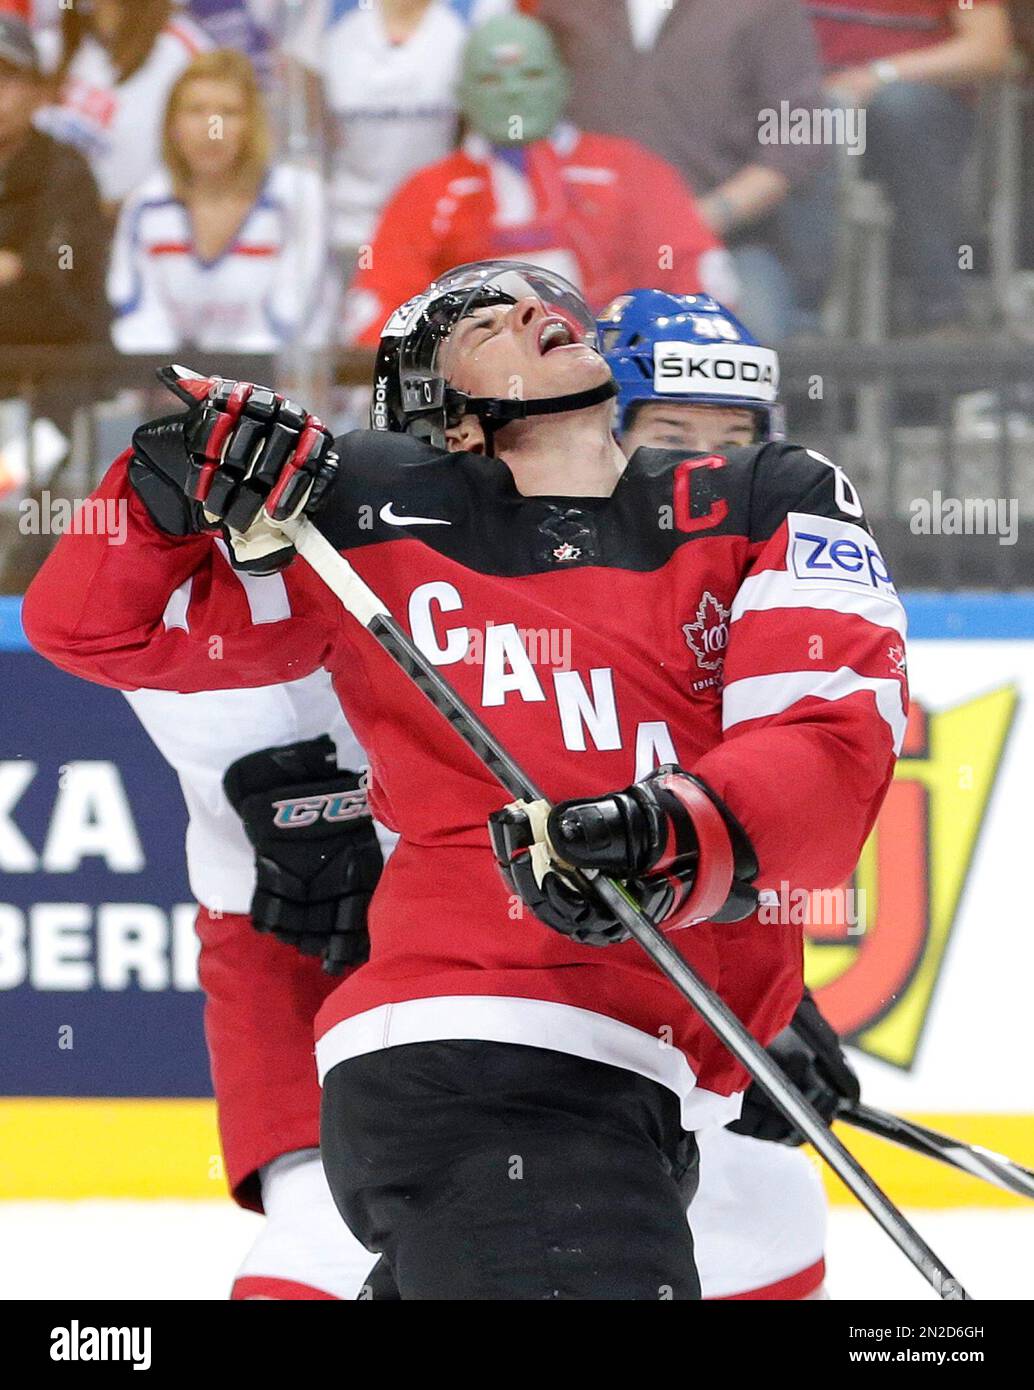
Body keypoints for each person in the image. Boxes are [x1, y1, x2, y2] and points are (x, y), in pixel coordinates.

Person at [24, 259, 906, 1299]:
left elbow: (827, 736)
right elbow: (94, 628)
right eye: (483, 321)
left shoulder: (767, 498)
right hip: (473, 1047)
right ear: (445, 422)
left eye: (541, 302)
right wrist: (157, 495)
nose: (538, 310)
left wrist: (725, 916)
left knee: (773, 1224)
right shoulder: (359, 520)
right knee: (334, 1233)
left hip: (652, 1069)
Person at [123, 670, 390, 1299]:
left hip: (464, 892)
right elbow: (95, 608)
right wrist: (297, 790)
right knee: (329, 1218)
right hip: (286, 913)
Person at [345, 13, 734, 346]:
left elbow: (697, 293)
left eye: (530, 74)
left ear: (563, 83)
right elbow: (382, 317)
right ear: (462, 95)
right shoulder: (427, 193)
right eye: (492, 79)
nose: (513, 92)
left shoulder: (632, 172)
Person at [535, 0, 833, 343]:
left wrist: (695, 221)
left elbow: (799, 140)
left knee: (745, 341)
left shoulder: (761, 7)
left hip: (727, 239)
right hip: (579, 238)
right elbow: (525, 111)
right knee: (520, 331)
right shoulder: (564, 8)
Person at [806, 0, 1014, 334]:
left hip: (915, 109)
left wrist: (881, 74)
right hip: (810, 108)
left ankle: (941, 309)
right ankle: (800, 327)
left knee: (899, 107)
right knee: (794, 119)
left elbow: (989, 49)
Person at [108, 48, 329, 354]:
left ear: (253, 125)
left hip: (275, 388)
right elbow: (138, 321)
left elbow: (286, 319)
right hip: (174, 392)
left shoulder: (297, 197)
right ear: (172, 125)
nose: (212, 130)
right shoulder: (146, 205)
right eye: (196, 110)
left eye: (229, 112)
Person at [285, 0, 513, 274]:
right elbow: (307, 131)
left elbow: (495, 123)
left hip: (446, 232)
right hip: (351, 231)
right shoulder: (328, 10)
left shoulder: (484, 9)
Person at [35, 0, 211, 212]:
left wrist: (128, 211)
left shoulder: (185, 50)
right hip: (44, 224)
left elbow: (210, 160)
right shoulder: (53, 41)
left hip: (132, 226)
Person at [0, 13, 109, 346]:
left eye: (6, 77)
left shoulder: (65, 173)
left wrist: (25, 271)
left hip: (45, 373)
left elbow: (59, 295)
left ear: (38, 92)